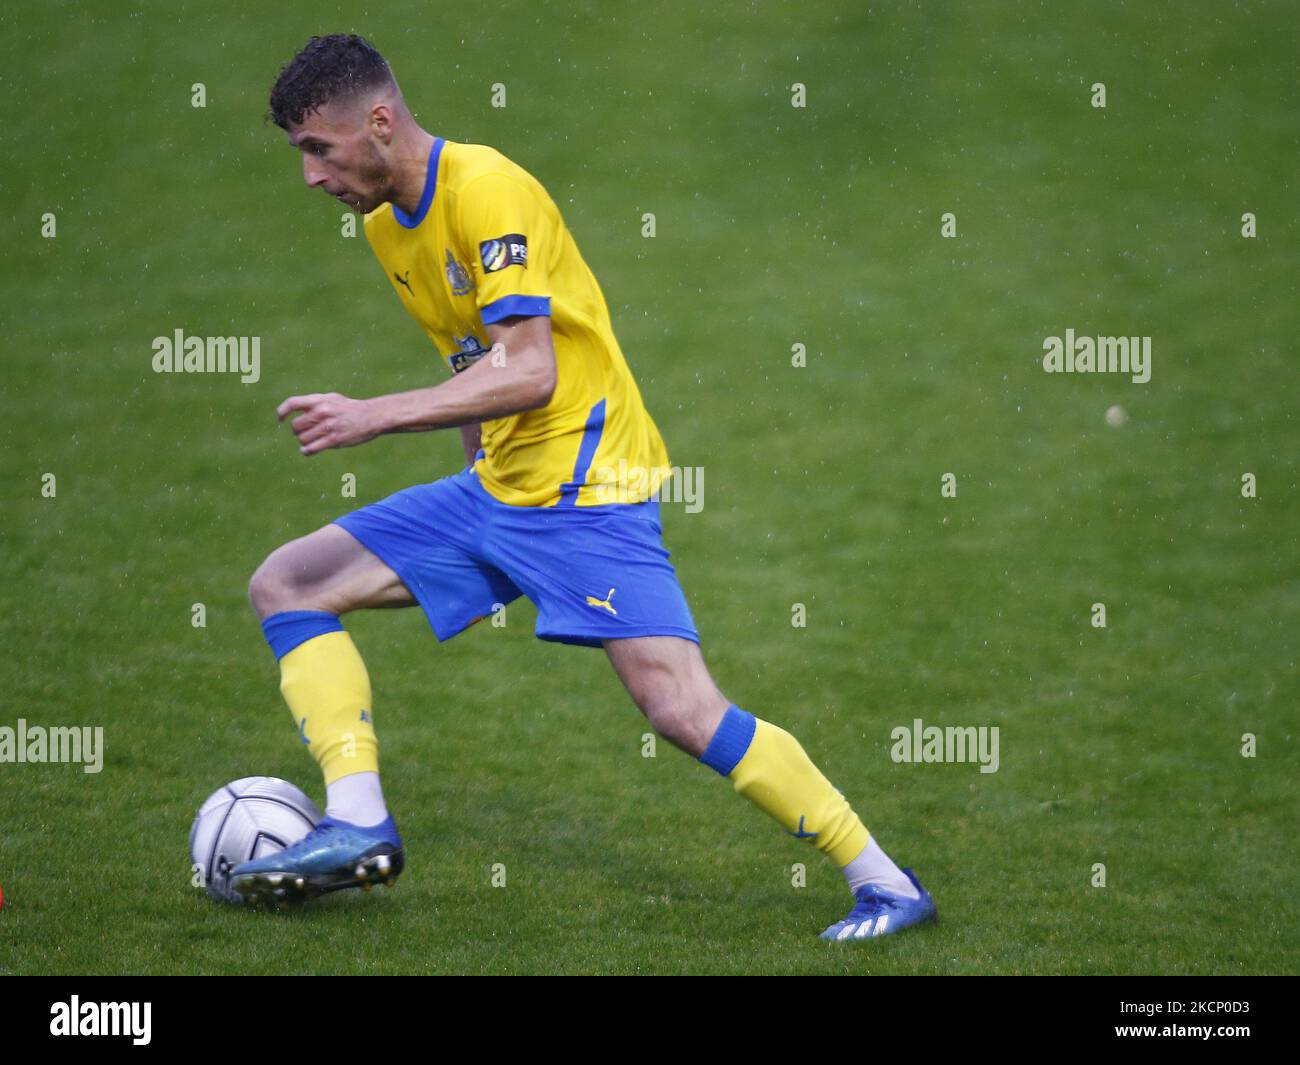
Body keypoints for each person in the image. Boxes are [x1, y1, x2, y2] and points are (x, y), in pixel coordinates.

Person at [232, 33, 936, 941]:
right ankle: (360, 819)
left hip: (586, 489)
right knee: (287, 583)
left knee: (678, 705)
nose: (310, 177)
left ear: (377, 122)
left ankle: (884, 881)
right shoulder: (383, 227)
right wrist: (473, 502)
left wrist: (373, 416)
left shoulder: (487, 191)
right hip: (498, 491)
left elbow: (532, 371)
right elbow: (470, 362)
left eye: (317, 149)